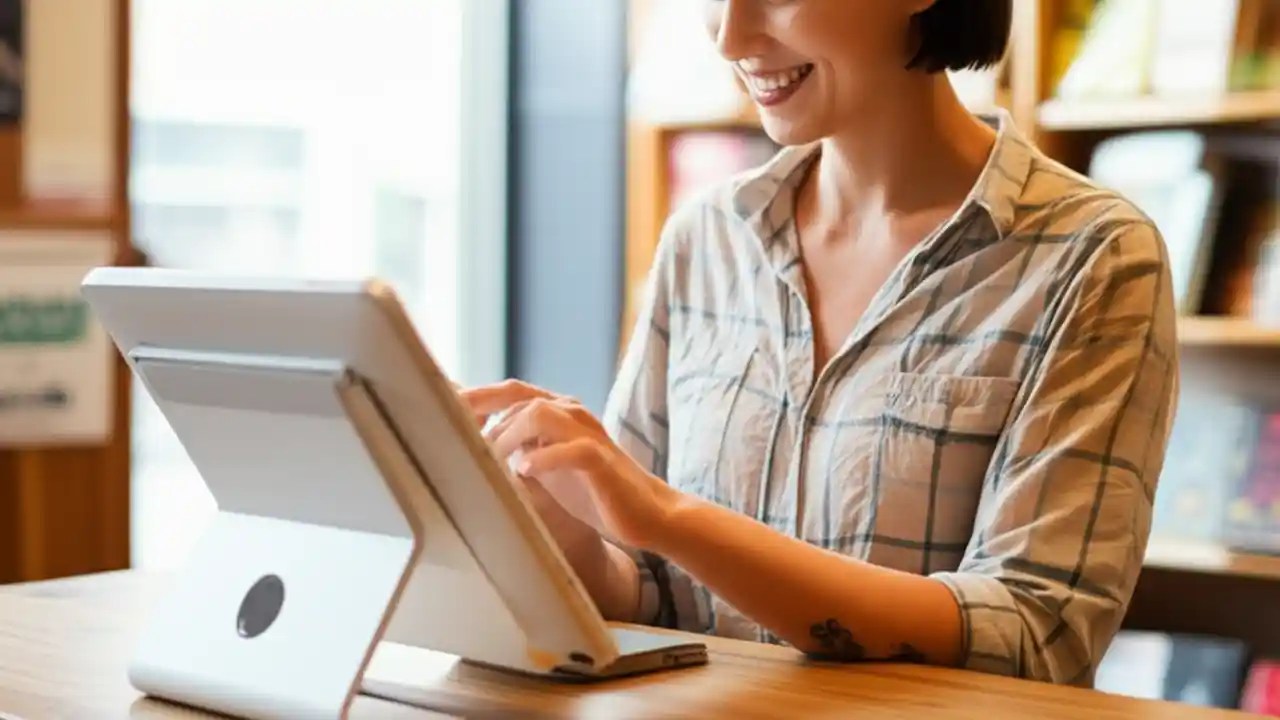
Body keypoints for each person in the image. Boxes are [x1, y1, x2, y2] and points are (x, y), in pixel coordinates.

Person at [463, 0, 1178, 686]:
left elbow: (1035, 632)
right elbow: (651, 592)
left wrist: (668, 518)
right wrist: (562, 529)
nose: (730, 35)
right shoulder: (706, 239)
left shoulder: (1094, 256)